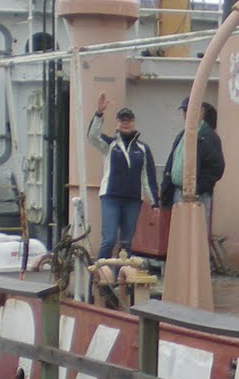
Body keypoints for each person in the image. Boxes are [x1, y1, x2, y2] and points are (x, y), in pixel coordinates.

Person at [88, 94, 157, 259]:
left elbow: (148, 177)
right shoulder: (109, 145)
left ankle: (122, 280)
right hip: (111, 197)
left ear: (133, 123)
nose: (125, 123)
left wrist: (154, 203)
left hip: (132, 199)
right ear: (117, 124)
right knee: (109, 239)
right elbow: (92, 137)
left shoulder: (142, 149)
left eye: (129, 120)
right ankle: (101, 277)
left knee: (126, 243)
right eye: (122, 120)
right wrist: (99, 113)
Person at [162, 98, 225, 229]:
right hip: (178, 193)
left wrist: (198, 187)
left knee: (197, 234)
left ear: (201, 111)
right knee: (179, 234)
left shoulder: (209, 136)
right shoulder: (182, 135)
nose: (186, 113)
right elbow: (172, 162)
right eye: (185, 110)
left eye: (189, 109)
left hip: (198, 196)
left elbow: (216, 168)